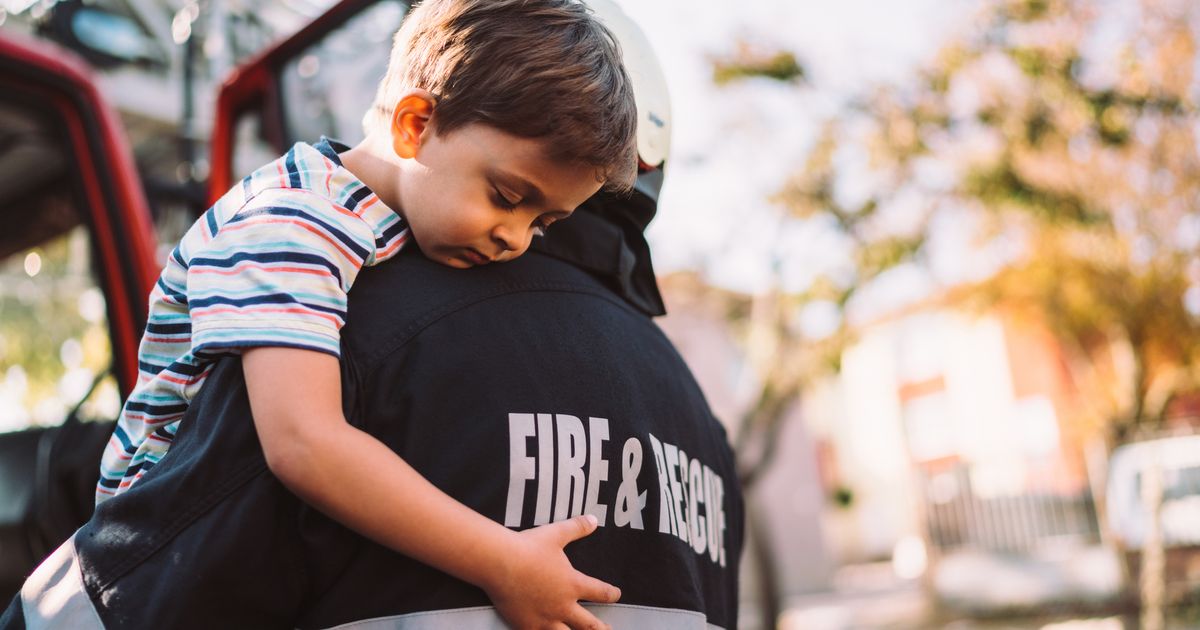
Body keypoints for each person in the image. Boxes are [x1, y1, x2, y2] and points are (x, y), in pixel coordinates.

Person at [92, 0, 636, 627]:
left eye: (543, 224)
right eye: (508, 197)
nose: (514, 238)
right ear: (415, 124)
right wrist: (502, 561)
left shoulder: (388, 224)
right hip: (154, 569)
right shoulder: (293, 221)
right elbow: (304, 442)